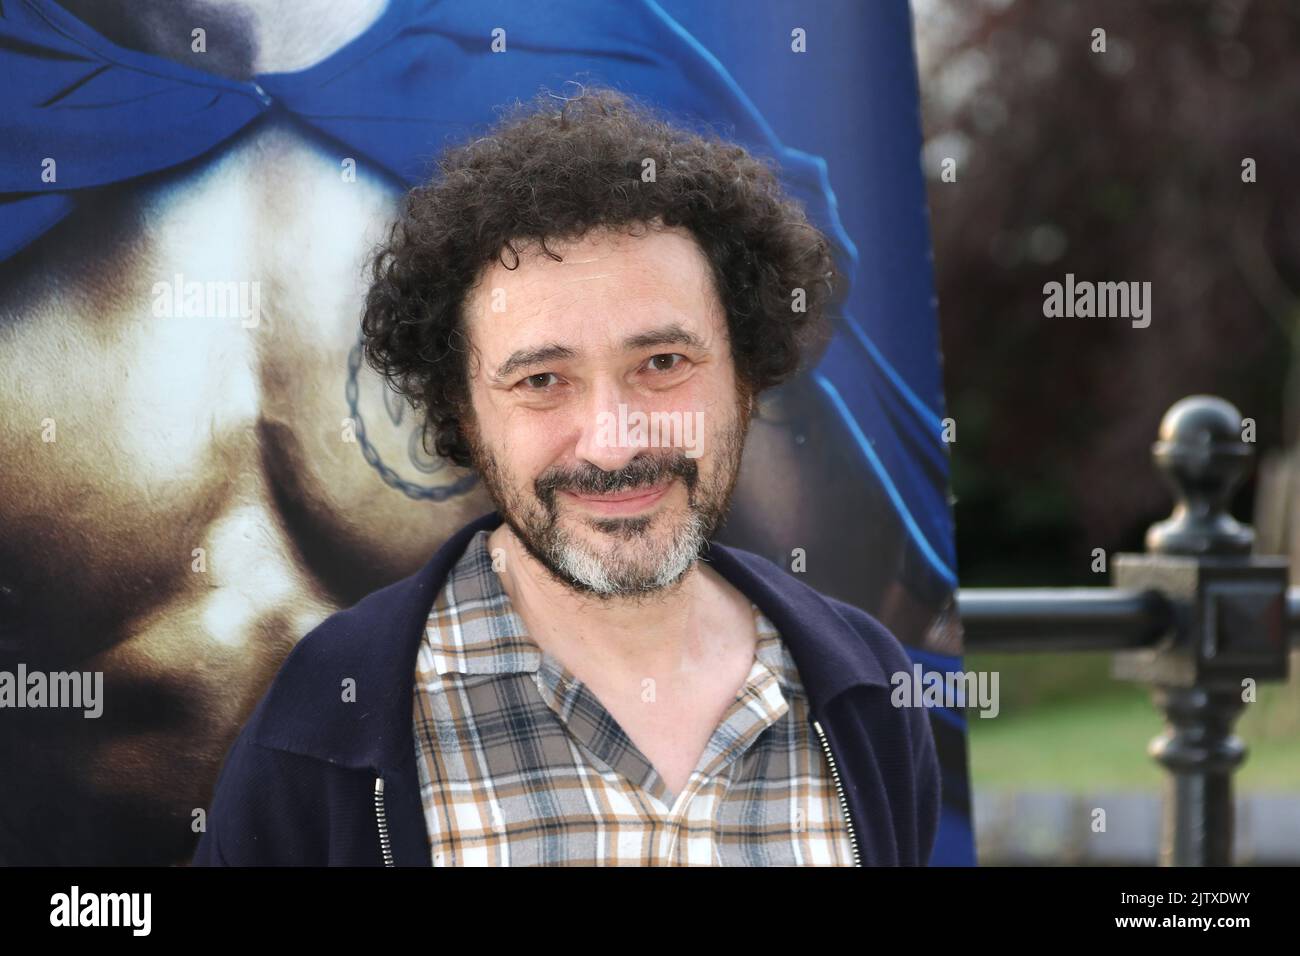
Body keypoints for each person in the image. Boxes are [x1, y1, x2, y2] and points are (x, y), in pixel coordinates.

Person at [191, 86, 940, 867]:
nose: (614, 445)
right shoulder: (325, 715)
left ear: (746, 375)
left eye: (662, 363)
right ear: (464, 414)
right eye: (542, 380)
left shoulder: (868, 689)